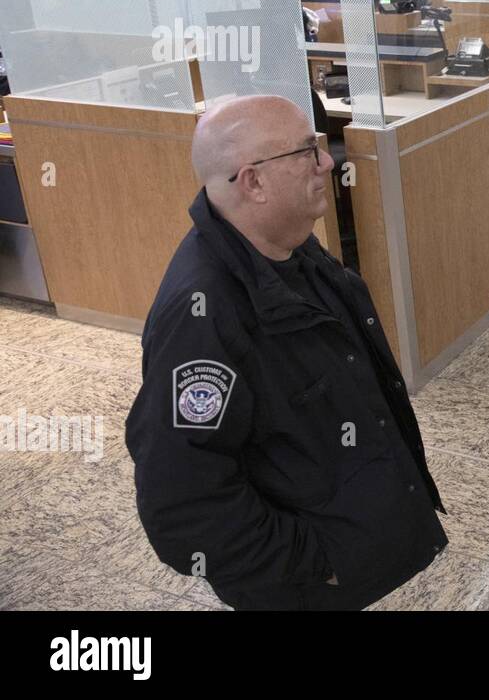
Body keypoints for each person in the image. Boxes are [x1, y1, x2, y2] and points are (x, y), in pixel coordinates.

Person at [126, 95, 448, 610]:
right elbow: (182, 503)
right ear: (253, 181)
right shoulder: (201, 318)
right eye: (306, 152)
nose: (326, 162)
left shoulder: (287, 244)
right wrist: (316, 566)